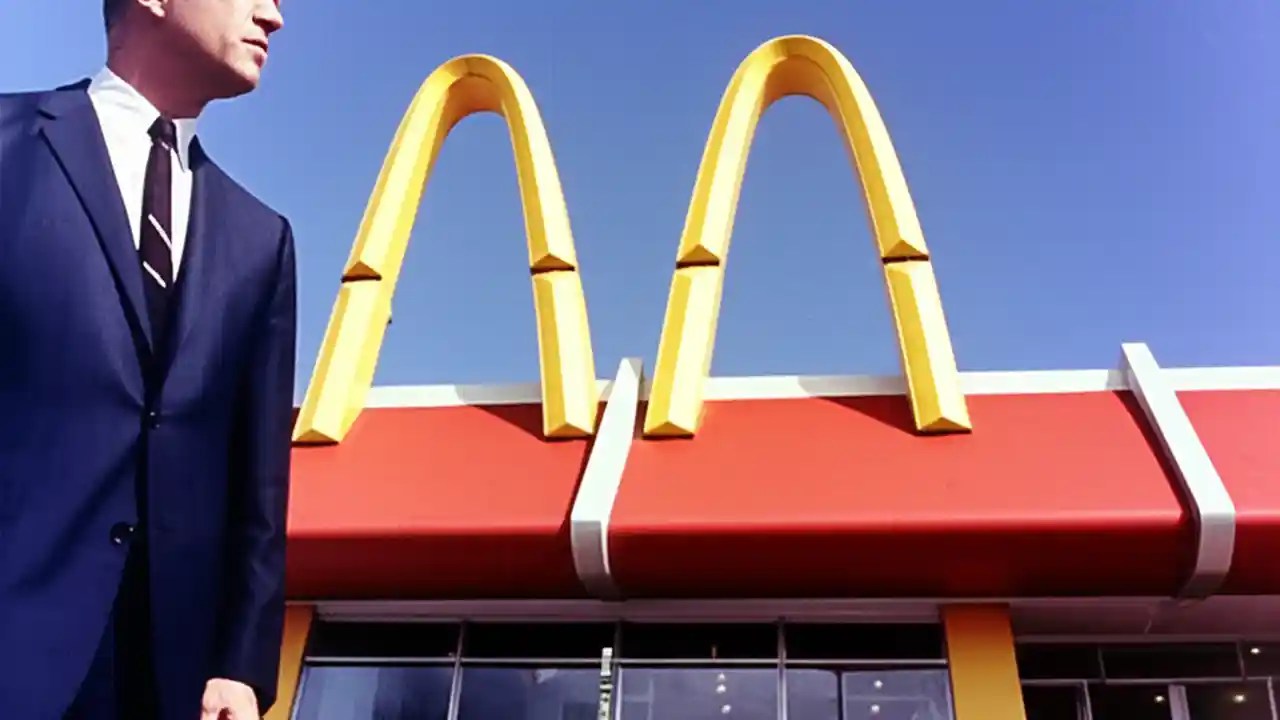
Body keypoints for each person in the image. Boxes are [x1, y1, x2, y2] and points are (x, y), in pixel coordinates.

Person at [0, 0, 294, 718]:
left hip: (174, 678)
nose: (274, 16)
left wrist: (241, 666)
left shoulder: (263, 238)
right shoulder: (8, 144)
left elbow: (258, 485)